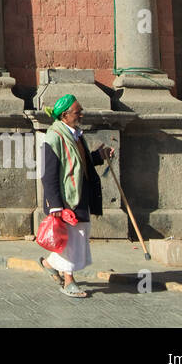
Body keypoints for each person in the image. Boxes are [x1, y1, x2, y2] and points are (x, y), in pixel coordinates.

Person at [39, 94, 114, 298]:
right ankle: (69, 281)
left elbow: (83, 162)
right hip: (66, 197)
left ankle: (48, 263)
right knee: (71, 238)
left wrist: (100, 156)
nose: (81, 113)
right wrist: (55, 205)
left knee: (75, 236)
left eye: (80, 110)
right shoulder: (54, 137)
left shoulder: (77, 135)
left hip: (81, 193)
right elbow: (48, 173)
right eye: (77, 111)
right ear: (65, 115)